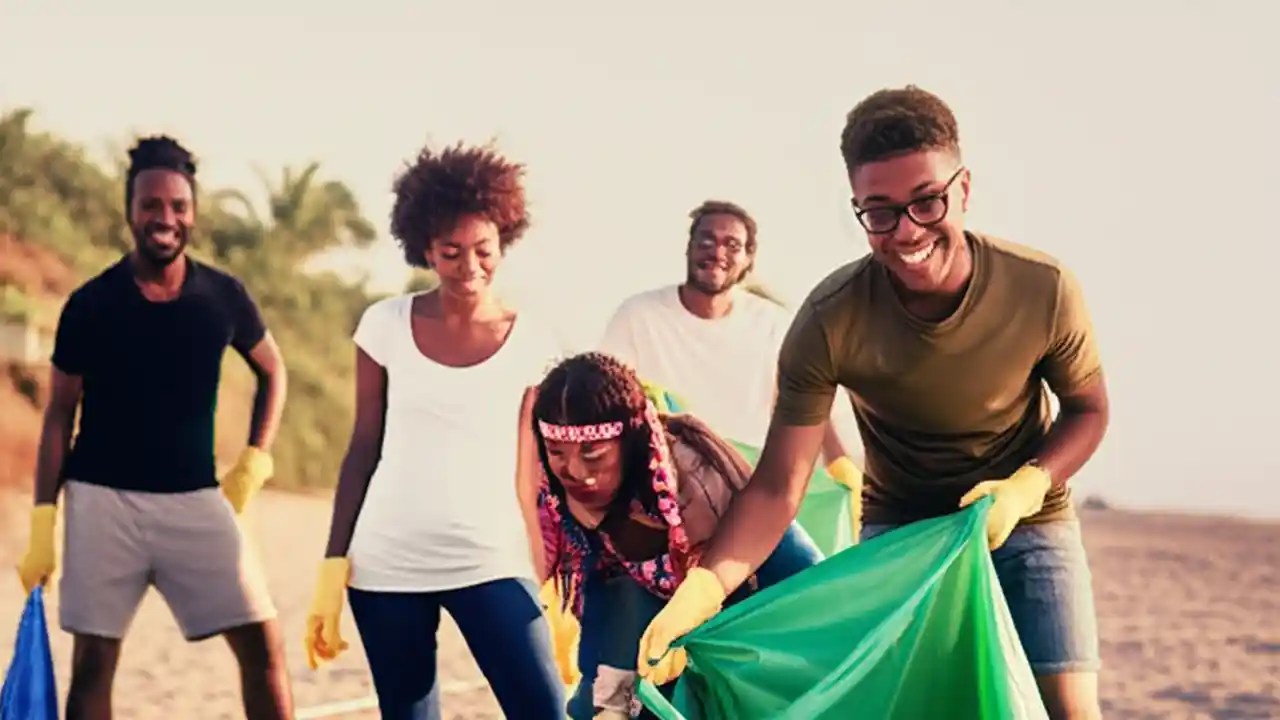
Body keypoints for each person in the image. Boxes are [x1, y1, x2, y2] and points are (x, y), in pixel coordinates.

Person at [637, 86, 1110, 720]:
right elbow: (778, 487)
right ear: (857, 207)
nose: (907, 230)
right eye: (880, 213)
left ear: (964, 190)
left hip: (1030, 524)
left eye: (927, 201)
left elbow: (1088, 410)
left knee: (1069, 709)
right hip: (902, 531)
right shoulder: (830, 320)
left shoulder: (1042, 288)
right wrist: (703, 588)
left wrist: (1027, 486)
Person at [14, 136, 293, 719]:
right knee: (94, 663)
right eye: (151, 205)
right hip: (102, 503)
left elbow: (273, 371)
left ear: (193, 213)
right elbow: (60, 413)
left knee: (262, 644)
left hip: (196, 502)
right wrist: (44, 517)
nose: (165, 218)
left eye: (177, 206)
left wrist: (254, 460)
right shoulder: (92, 304)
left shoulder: (222, 297)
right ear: (130, 212)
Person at [303, 142, 567, 720]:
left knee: (545, 711)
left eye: (483, 250)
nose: (470, 265)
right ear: (425, 249)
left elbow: (537, 471)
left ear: (504, 242)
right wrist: (332, 563)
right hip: (387, 563)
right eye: (451, 251)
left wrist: (556, 573)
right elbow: (363, 447)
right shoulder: (385, 324)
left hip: (493, 560)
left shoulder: (534, 342)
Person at [526, 352, 823, 719]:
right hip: (644, 605)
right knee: (603, 705)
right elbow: (602, 591)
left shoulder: (693, 482)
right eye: (557, 452)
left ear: (630, 444)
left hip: (747, 591)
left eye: (594, 455)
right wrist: (609, 697)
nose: (575, 471)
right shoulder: (554, 492)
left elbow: (792, 591)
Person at [597, 200, 863, 509]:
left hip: (754, 489)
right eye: (706, 240)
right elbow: (605, 399)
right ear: (689, 248)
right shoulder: (638, 316)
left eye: (732, 245)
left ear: (748, 260)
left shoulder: (774, 325)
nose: (717, 252)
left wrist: (842, 472)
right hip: (667, 485)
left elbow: (813, 403)